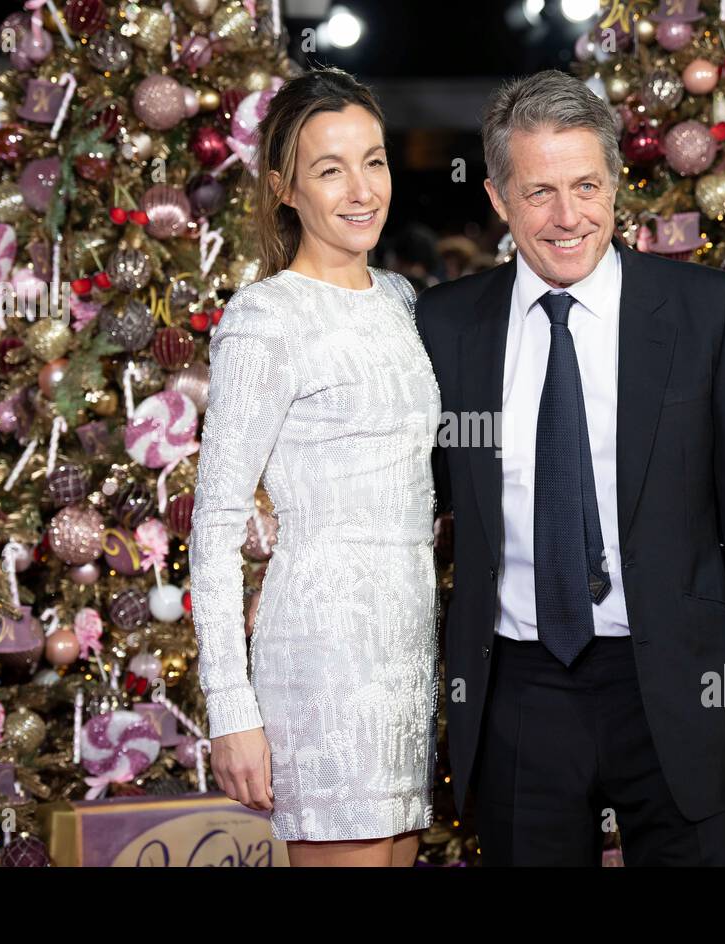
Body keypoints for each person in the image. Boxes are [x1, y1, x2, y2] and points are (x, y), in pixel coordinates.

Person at [414, 70, 725, 866]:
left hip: (682, 685)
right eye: (538, 193)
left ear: (617, 184)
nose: (568, 218)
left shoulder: (705, 312)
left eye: (587, 186)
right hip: (519, 692)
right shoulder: (445, 324)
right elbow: (415, 504)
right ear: (497, 198)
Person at [188, 67, 441, 867]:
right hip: (325, 658)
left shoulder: (400, 299)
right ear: (284, 189)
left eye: (374, 160)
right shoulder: (265, 319)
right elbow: (217, 523)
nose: (361, 189)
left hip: (408, 650)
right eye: (330, 169)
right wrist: (231, 708)